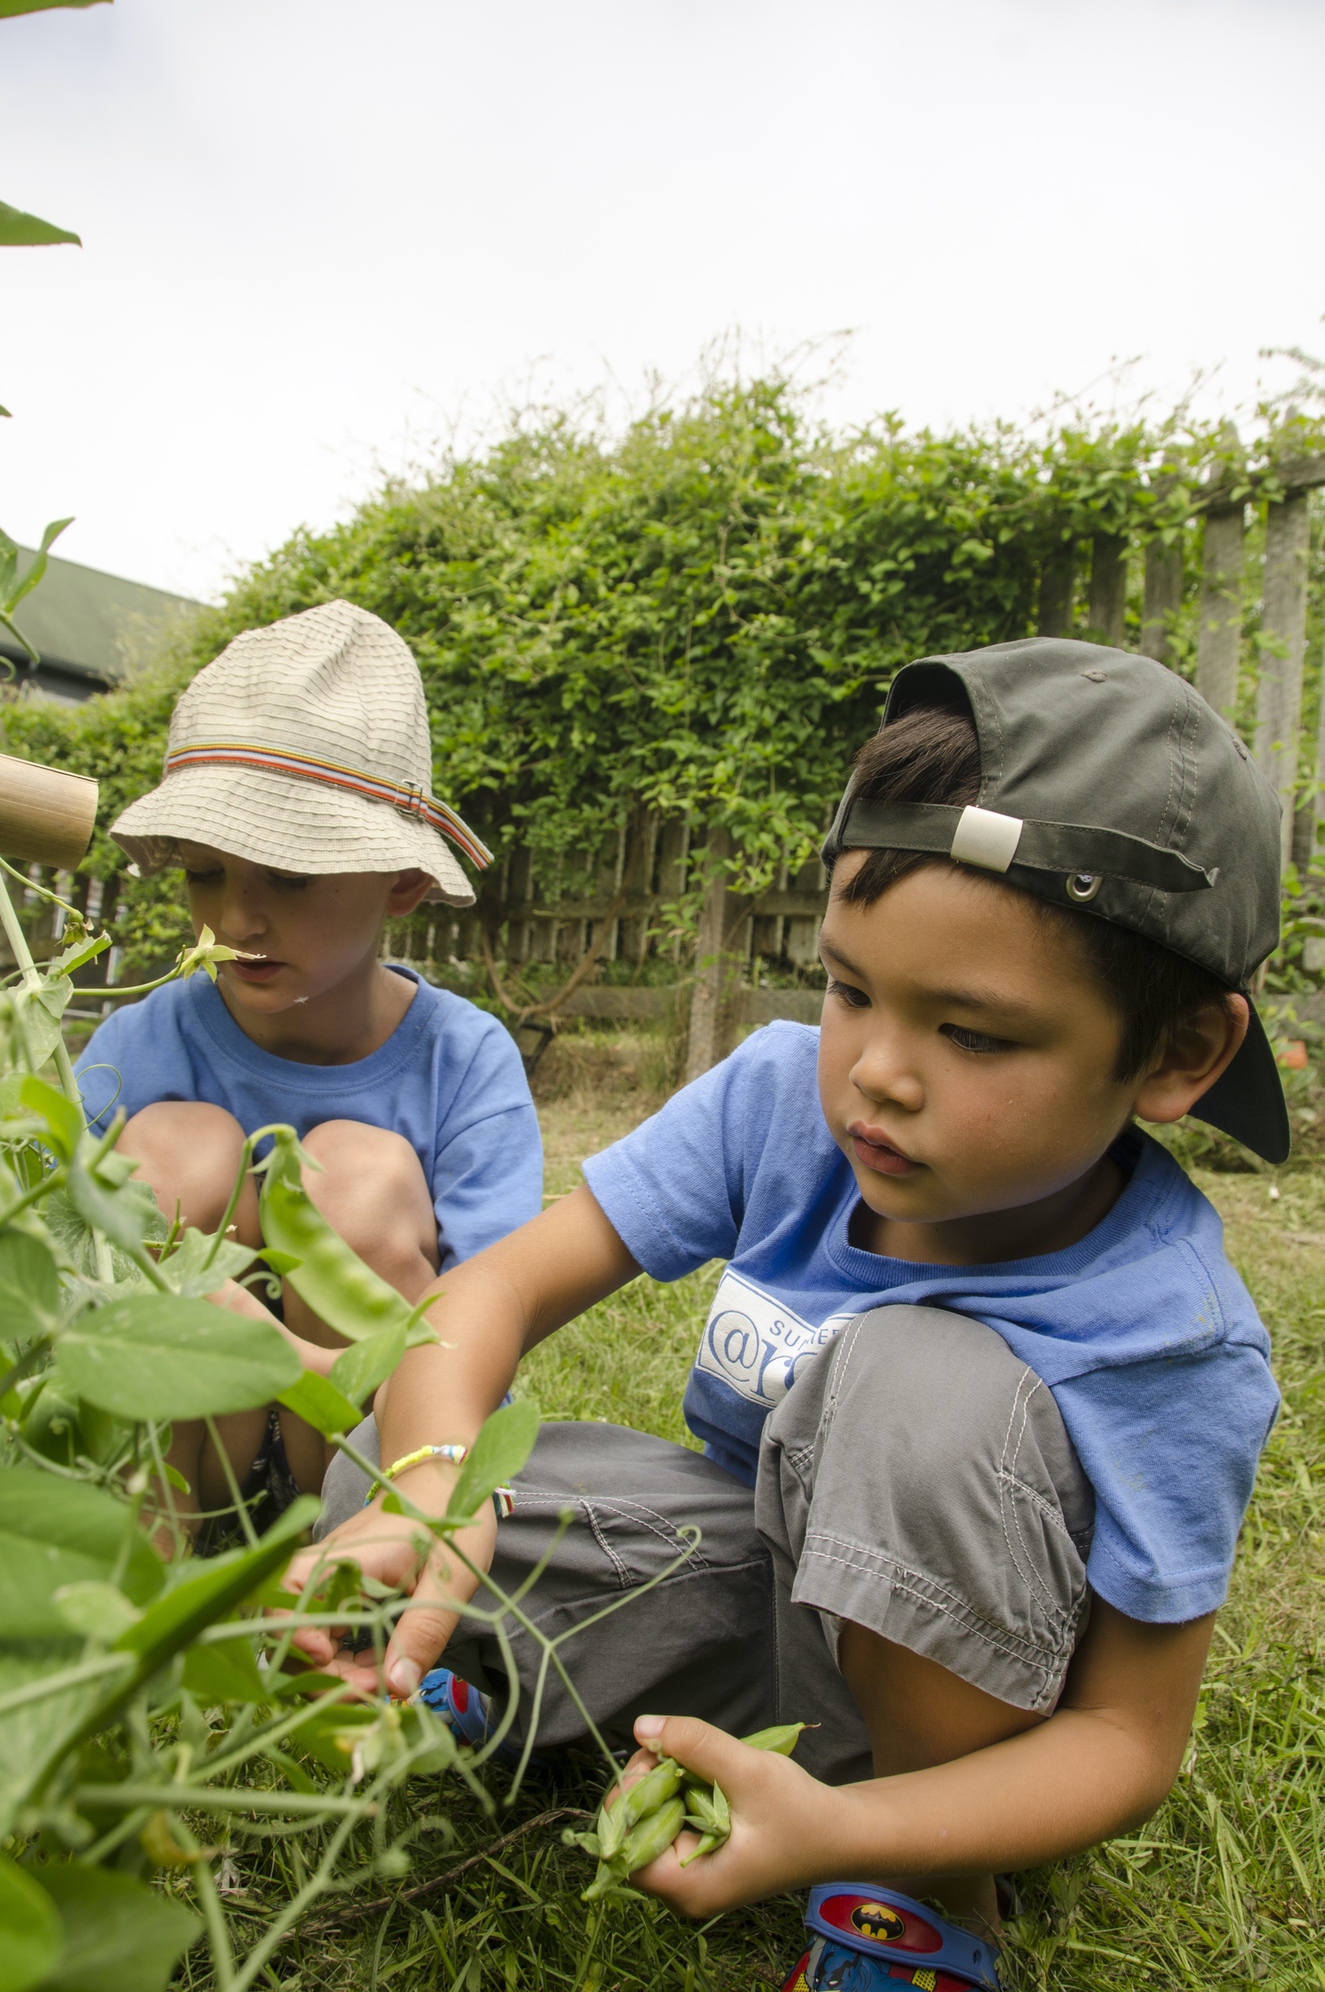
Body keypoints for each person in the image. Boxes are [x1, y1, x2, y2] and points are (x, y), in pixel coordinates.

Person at [288, 637, 1285, 1992]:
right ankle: (486, 1680)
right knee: (392, 1444)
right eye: (849, 989)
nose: (877, 1072)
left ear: (1174, 1056)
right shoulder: (776, 1098)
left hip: (957, 1747)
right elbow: (496, 1292)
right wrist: (431, 1481)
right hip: (753, 1604)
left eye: (974, 1035)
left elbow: (1123, 1739)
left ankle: (919, 1897)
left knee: (916, 1381)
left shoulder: (1166, 1327)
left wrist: (851, 1826)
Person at [75, 599, 542, 1536]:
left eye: (289, 877)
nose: (237, 919)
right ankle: (144, 1545)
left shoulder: (463, 1057)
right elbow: (59, 1257)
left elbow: (489, 1322)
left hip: (366, 1432)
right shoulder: (141, 1042)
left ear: (401, 883)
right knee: (170, 1148)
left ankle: (349, 1542)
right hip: (173, 1426)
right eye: (206, 872)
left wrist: (285, 1357)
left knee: (354, 1175)